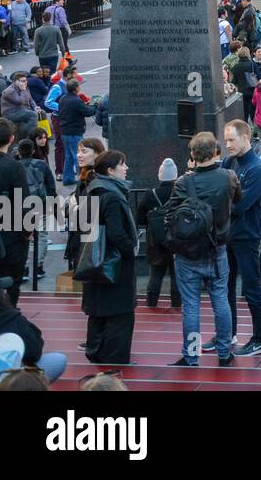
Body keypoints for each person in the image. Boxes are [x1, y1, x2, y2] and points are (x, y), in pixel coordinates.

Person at [170, 131, 241, 367]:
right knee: (220, 301)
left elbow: (171, 216)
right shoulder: (229, 177)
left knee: (191, 307)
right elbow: (238, 199)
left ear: (192, 154)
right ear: (215, 152)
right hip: (218, 250)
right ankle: (224, 353)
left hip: (188, 253)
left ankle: (191, 356)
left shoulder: (183, 182)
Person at [80, 151, 138, 364]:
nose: (127, 168)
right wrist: (129, 250)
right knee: (119, 314)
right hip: (114, 263)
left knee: (98, 312)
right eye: (122, 164)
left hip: (94, 260)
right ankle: (115, 358)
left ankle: (96, 351)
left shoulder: (92, 191)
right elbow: (117, 233)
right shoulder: (112, 196)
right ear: (110, 170)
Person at [221, 119, 261, 356]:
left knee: (251, 289)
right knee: (225, 287)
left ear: (245, 138)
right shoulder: (229, 161)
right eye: (226, 139)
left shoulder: (258, 169)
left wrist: (219, 202)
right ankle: (228, 333)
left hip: (247, 237)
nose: (227, 144)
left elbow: (240, 206)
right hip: (228, 235)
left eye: (231, 139)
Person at [138, 158, 181, 309]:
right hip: (177, 240)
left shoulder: (150, 195)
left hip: (155, 241)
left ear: (159, 175)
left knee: (156, 275)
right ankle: (177, 305)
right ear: (175, 176)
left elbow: (140, 218)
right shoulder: (181, 193)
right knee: (177, 276)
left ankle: (151, 304)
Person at [0, 122, 27, 306]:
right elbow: (22, 203)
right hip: (10, 235)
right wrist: (26, 231)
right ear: (11, 139)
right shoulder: (14, 167)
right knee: (10, 284)